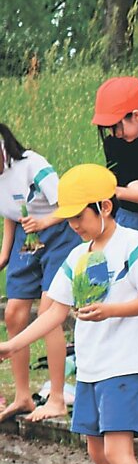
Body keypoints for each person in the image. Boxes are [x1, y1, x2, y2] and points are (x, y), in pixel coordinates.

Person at [0, 164, 138, 464]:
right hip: (91, 367)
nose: (73, 225)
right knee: (98, 453)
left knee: (119, 451)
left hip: (124, 363)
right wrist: (13, 345)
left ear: (103, 206)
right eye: (68, 217)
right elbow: (54, 311)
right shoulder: (77, 256)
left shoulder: (131, 244)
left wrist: (110, 310)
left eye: (78, 216)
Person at [0, 124, 73, 424]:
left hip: (58, 232)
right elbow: (11, 215)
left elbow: (70, 205)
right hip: (25, 238)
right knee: (14, 314)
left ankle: (57, 398)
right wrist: (5, 255)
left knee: (48, 312)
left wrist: (44, 224)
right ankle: (22, 396)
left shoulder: (32, 165)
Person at [91, 76, 138, 232]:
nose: (114, 134)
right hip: (131, 216)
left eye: (115, 126)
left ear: (136, 115)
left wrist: (117, 192)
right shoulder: (114, 143)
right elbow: (132, 183)